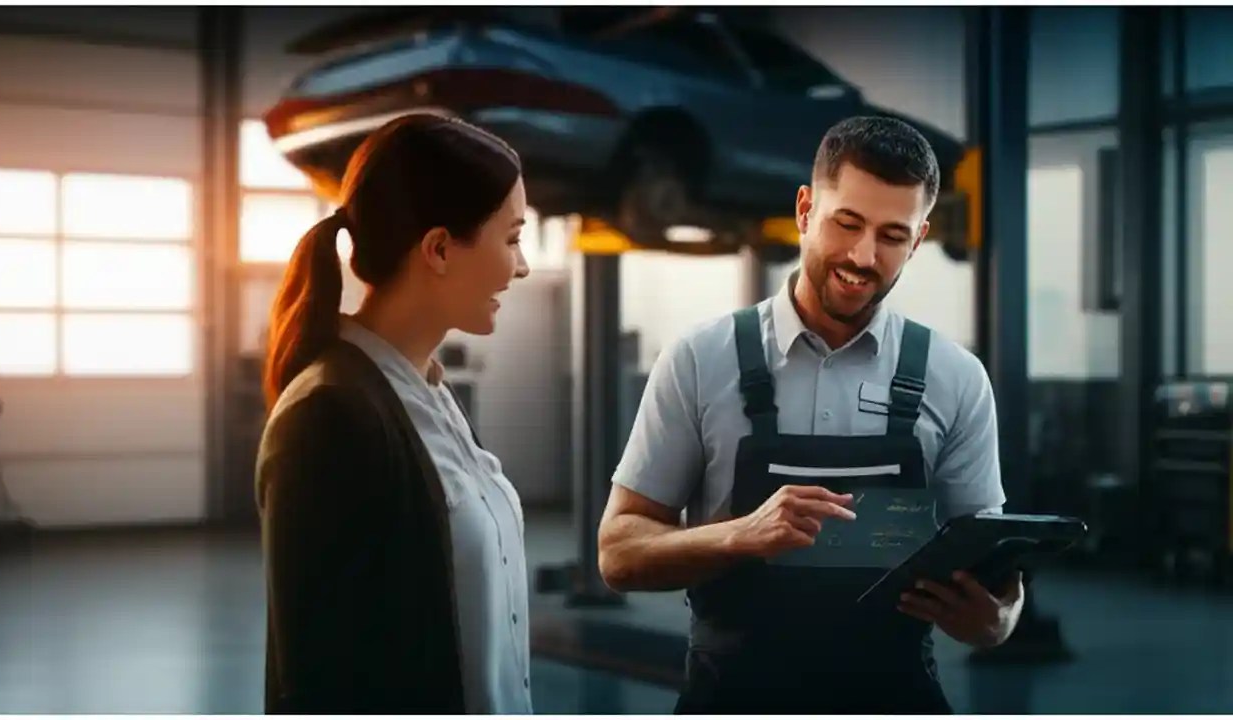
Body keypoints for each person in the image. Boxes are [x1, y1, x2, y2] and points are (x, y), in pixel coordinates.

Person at [597, 116, 1024, 714]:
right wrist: (739, 536)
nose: (862, 256)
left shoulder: (955, 379)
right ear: (804, 210)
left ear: (919, 238)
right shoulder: (700, 359)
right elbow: (618, 553)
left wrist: (998, 618)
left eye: (892, 235)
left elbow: (993, 576)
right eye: (846, 223)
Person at [256, 113, 533, 714]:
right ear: (438, 248)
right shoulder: (328, 413)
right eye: (511, 238)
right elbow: (318, 679)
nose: (523, 265)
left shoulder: (427, 393)